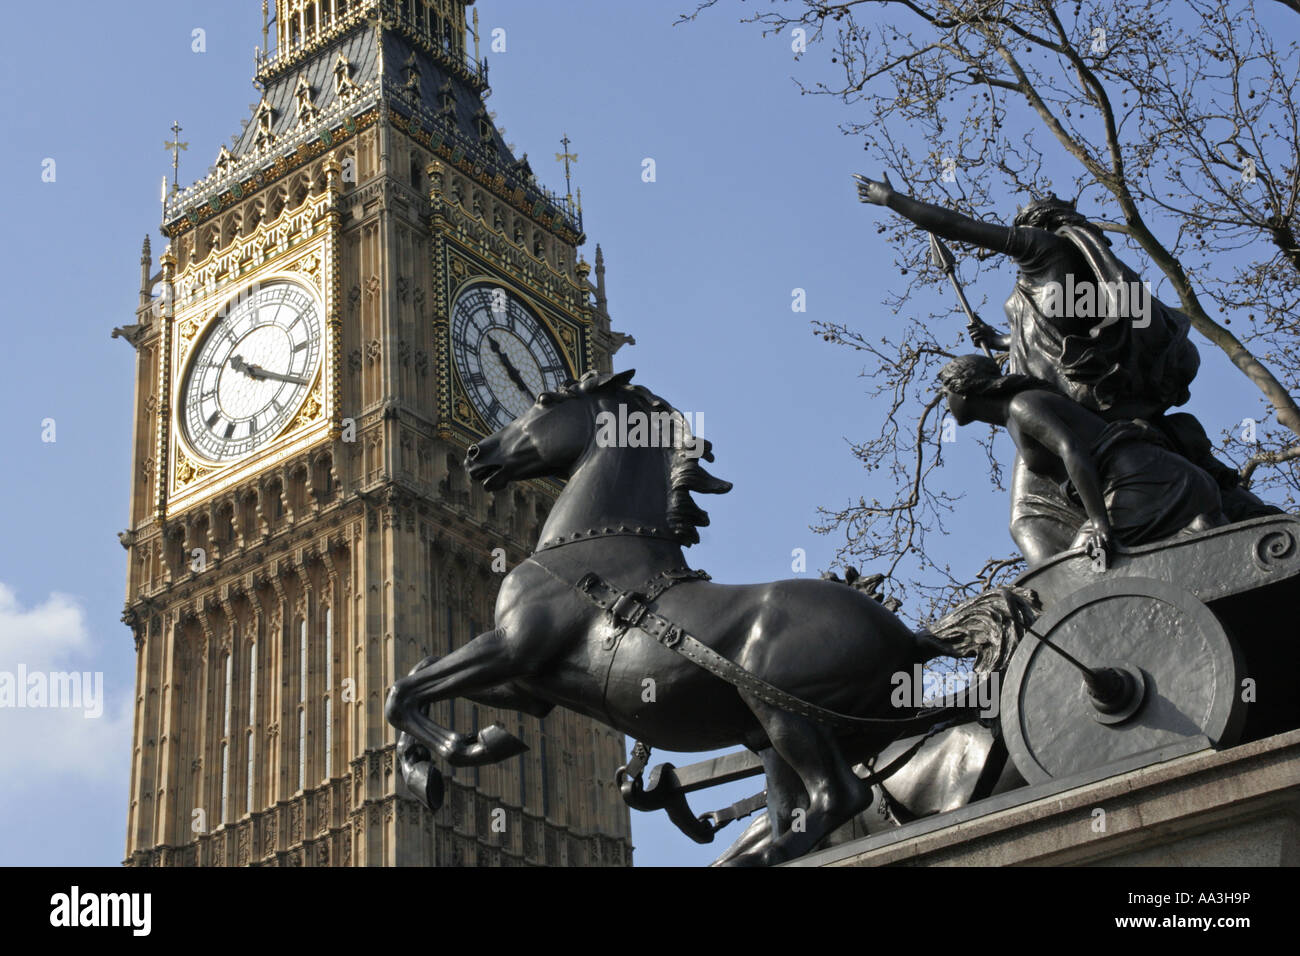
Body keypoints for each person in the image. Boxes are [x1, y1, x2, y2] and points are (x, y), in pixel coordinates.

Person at [857, 175, 1278, 563]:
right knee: (1029, 514)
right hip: (1066, 398)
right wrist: (1002, 339)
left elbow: (962, 227)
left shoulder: (1043, 249)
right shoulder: (1061, 273)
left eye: (1022, 228)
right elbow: (1064, 327)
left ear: (1036, 228)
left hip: (1071, 404)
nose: (1016, 238)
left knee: (1027, 516)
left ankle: (1093, 556)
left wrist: (891, 200)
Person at [938, 354, 1228, 565]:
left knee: (1078, 563)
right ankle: (1191, 534)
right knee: (1081, 562)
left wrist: (1100, 523)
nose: (945, 400)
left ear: (963, 392)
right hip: (1141, 481)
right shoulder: (1015, 413)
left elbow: (1071, 451)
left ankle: (1193, 534)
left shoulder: (1021, 406)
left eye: (946, 392)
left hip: (1148, 483)